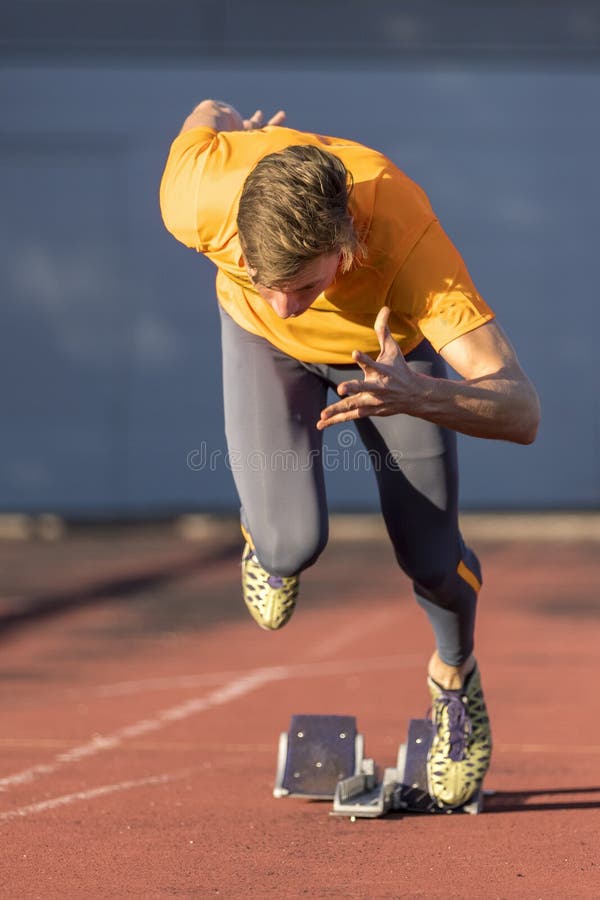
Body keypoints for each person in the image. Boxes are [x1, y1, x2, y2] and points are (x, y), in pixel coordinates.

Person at [160, 99, 540, 809]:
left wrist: (418, 396)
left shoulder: (410, 247)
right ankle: (267, 535)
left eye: (303, 285)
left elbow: (522, 410)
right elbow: (203, 114)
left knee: (431, 557)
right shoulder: (198, 195)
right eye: (260, 276)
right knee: (291, 542)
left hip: (387, 358)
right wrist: (229, 124)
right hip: (260, 352)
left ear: (347, 247)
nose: (283, 302)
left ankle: (454, 680)